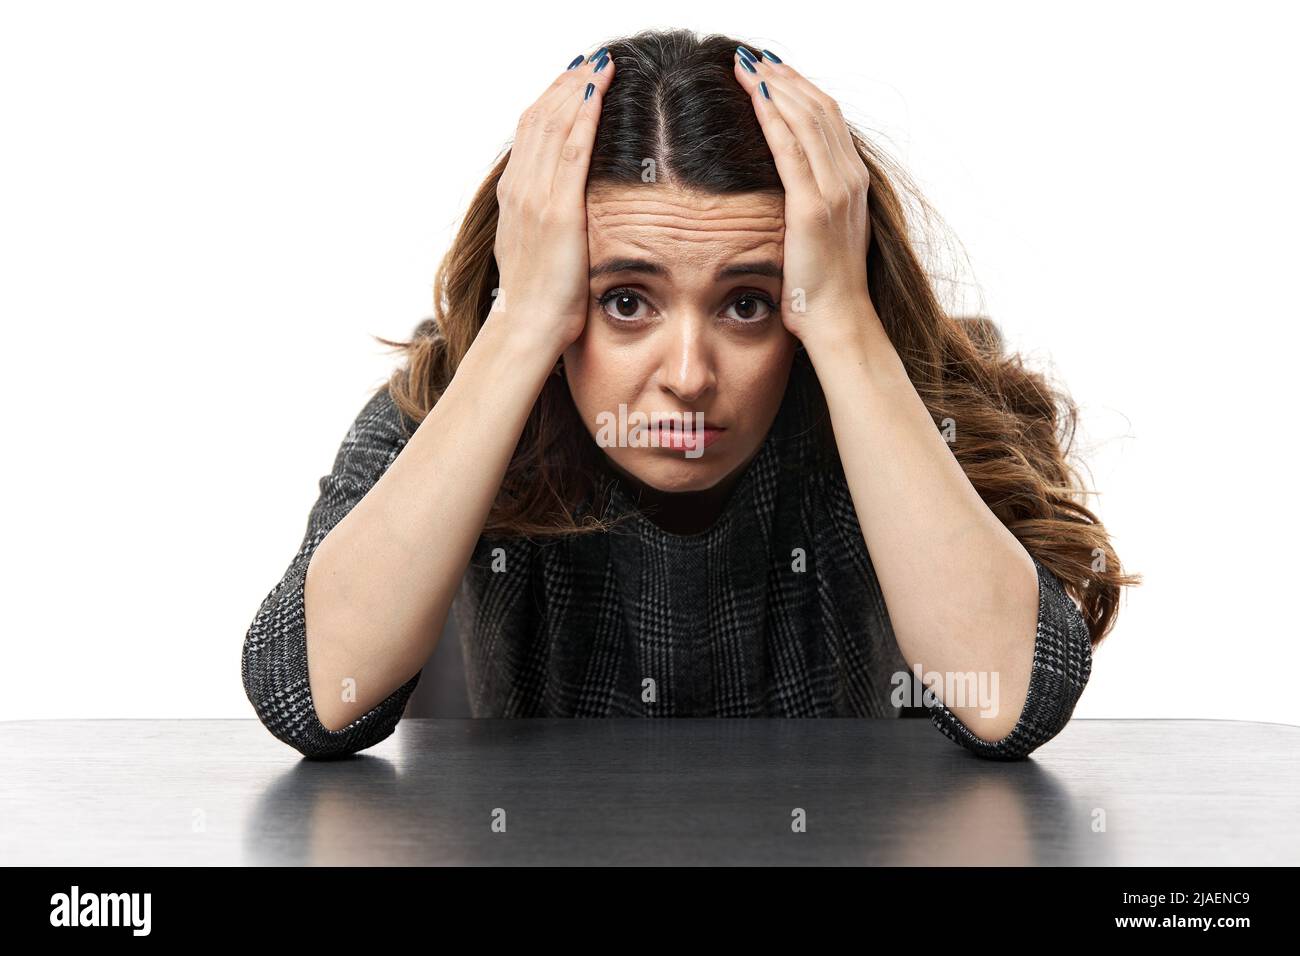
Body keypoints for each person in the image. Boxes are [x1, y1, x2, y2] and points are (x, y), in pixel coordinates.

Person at [241, 28, 1139, 761]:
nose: (689, 375)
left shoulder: (901, 397)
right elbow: (306, 695)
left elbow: (1015, 702)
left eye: (747, 303)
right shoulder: (460, 395)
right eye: (625, 301)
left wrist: (844, 322)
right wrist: (517, 332)